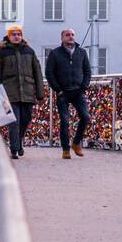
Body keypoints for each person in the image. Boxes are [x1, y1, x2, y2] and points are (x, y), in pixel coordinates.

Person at [0, 24, 44, 160]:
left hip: (27, 91)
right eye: (13, 34)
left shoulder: (29, 51)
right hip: (9, 92)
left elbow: (37, 72)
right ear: (9, 37)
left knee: (26, 119)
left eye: (18, 34)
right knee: (14, 121)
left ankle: (18, 141)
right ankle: (14, 149)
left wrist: (39, 92)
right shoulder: (2, 53)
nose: (16, 36)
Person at [45, 27, 91, 159]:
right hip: (63, 92)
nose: (70, 37)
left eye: (72, 35)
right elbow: (49, 73)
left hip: (78, 92)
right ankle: (65, 149)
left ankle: (76, 143)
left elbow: (87, 72)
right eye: (67, 35)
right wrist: (58, 90)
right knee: (65, 120)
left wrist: (83, 87)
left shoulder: (82, 52)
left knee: (85, 117)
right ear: (62, 38)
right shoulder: (55, 53)